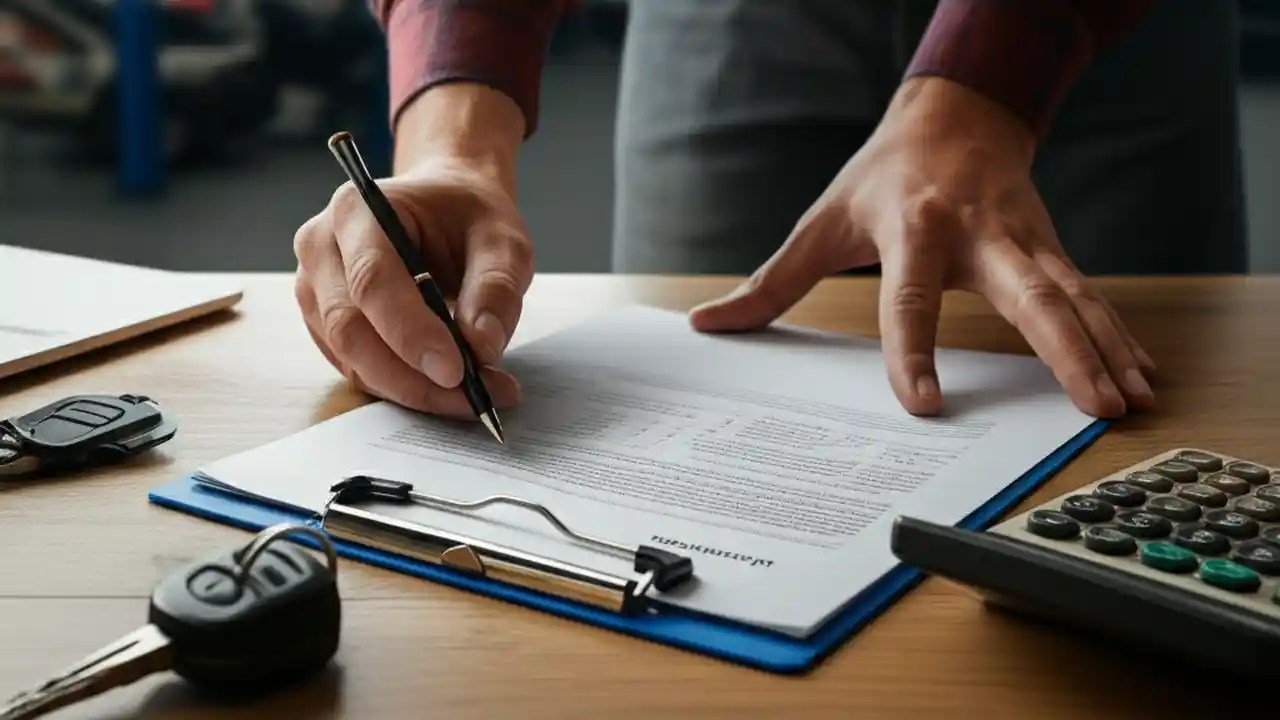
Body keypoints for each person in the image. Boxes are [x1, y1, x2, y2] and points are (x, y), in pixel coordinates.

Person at [292, 0, 1246, 423]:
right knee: (704, 375)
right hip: (738, 22)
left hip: (1095, 34)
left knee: (1121, 421)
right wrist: (453, 146)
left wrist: (987, 86)